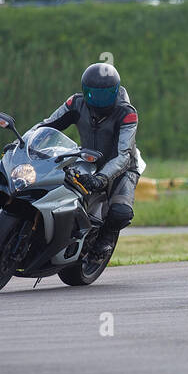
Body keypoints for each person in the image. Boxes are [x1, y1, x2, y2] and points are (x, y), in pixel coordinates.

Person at [40, 62, 140, 260]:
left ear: (116, 91)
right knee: (56, 187)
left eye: (106, 94)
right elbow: (47, 126)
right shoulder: (75, 103)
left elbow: (124, 154)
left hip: (123, 167)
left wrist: (102, 178)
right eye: (95, 94)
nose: (100, 101)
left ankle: (106, 240)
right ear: (85, 91)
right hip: (86, 160)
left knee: (121, 212)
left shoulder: (127, 113)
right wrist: (23, 141)